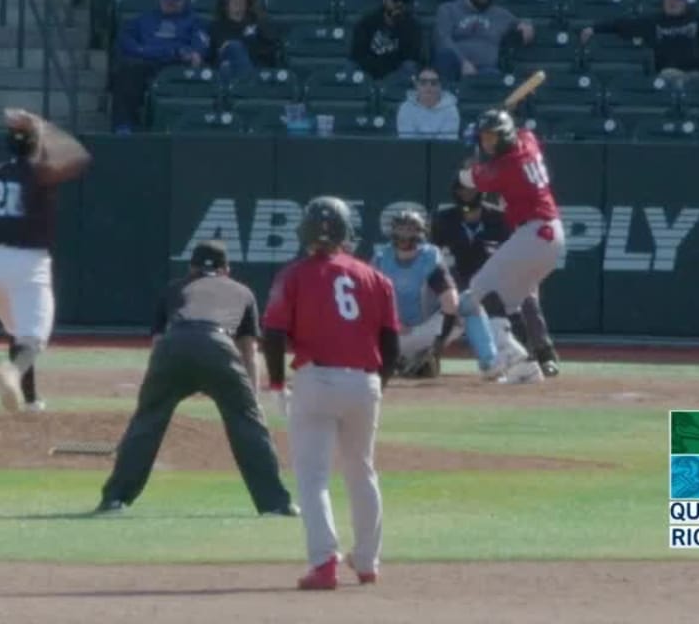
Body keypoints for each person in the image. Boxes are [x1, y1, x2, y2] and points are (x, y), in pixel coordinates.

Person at [95, 240, 297, 517]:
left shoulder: (174, 288)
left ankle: (114, 500)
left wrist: (153, 392)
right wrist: (251, 400)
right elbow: (249, 349)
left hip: (173, 346)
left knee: (146, 422)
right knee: (248, 426)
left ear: (191, 268)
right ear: (227, 269)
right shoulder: (243, 291)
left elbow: (158, 344)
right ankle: (275, 504)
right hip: (219, 347)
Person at [262, 196, 399, 590]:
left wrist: (275, 383)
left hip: (315, 379)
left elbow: (273, 333)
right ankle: (368, 561)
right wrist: (378, 385)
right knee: (362, 471)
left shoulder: (293, 275)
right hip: (364, 380)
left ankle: (324, 563)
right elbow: (390, 344)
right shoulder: (375, 277)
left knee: (312, 476)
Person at [0, 108, 92, 413]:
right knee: (34, 336)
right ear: (34, 145)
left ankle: (29, 400)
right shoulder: (39, 172)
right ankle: (11, 372)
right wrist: (42, 126)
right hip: (28, 263)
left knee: (19, 334)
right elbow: (79, 157)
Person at [455, 109, 567, 382]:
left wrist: (473, 159)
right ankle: (524, 366)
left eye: (492, 137)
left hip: (534, 235)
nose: (488, 142)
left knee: (473, 296)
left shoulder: (507, 167)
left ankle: (509, 358)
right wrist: (490, 127)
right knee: (505, 303)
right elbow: (520, 134)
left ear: (505, 136)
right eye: (485, 137)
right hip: (550, 236)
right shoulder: (526, 139)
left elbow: (466, 180)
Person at [370, 210, 507, 381]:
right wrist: (392, 325)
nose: (405, 235)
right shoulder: (381, 259)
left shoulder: (429, 257)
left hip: (424, 329)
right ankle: (398, 360)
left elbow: (451, 303)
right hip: (394, 336)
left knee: (469, 302)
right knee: (468, 304)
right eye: (401, 230)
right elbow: (369, 304)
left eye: (409, 230)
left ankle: (490, 363)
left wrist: (437, 346)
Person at [430, 179, 542, 378]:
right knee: (463, 306)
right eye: (463, 191)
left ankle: (537, 353)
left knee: (525, 296)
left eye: (471, 190)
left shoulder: (501, 219)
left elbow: (517, 255)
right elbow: (431, 259)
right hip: (458, 282)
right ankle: (508, 357)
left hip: (496, 279)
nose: (467, 195)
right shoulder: (443, 220)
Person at [109, 0, 209, 133]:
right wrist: (163, 51)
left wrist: (189, 53)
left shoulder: (194, 21)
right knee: (127, 70)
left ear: (184, 0)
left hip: (176, 67)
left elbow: (198, 48)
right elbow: (124, 39)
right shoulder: (145, 19)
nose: (170, 1)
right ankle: (124, 126)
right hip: (147, 64)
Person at [433, 0, 536, 82]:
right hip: (454, 66)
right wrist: (463, 62)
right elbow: (443, 39)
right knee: (445, 57)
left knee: (493, 76)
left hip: (486, 69)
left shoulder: (500, 14)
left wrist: (527, 26)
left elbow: (521, 23)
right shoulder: (448, 9)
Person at [207, 0, 281, 79]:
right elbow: (210, 59)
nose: (236, 1)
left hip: (256, 74)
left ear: (247, 1)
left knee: (234, 48)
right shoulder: (215, 28)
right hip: (224, 75)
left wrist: (245, 45)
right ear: (226, 1)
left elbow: (270, 53)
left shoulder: (259, 25)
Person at [350, 0, 423, 82]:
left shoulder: (412, 25)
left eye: (404, 1)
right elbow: (358, 54)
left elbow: (412, 56)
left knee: (409, 67)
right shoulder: (367, 23)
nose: (400, 4)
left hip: (398, 70)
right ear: (384, 0)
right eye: (395, 0)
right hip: (369, 68)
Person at [395, 68, 460, 140]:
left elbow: (448, 142)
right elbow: (407, 141)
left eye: (434, 83)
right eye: (423, 82)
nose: (428, 87)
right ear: (416, 85)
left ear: (440, 86)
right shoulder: (405, 108)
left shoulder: (451, 110)